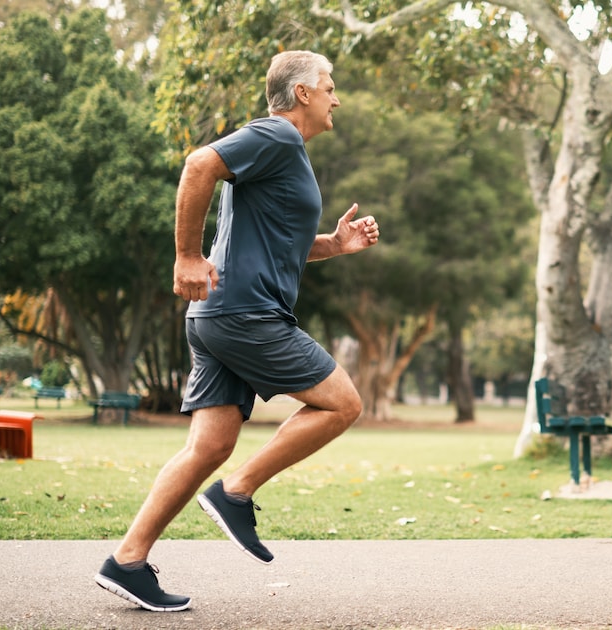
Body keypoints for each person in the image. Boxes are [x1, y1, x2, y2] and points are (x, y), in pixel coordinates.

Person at [95, 50, 379, 612]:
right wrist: (186, 256)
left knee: (208, 446)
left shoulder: (283, 152)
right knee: (343, 403)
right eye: (329, 87)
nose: (336, 98)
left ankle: (126, 561)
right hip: (246, 314)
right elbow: (199, 164)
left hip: (218, 317)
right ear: (302, 94)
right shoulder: (278, 135)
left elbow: (275, 242)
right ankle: (237, 492)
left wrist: (332, 245)